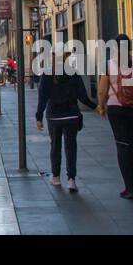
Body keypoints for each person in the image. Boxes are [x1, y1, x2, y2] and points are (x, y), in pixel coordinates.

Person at [96, 33, 133, 200]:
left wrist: (101, 106)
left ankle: (129, 186)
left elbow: (102, 90)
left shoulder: (109, 65)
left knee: (122, 145)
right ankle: (132, 180)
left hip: (118, 108)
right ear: (130, 47)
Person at [35, 48, 96, 193]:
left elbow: (42, 98)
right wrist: (96, 107)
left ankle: (55, 176)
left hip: (54, 116)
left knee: (55, 146)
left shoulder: (47, 74)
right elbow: (83, 97)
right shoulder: (73, 73)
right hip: (71, 115)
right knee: (71, 146)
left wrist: (39, 116)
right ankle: (71, 180)